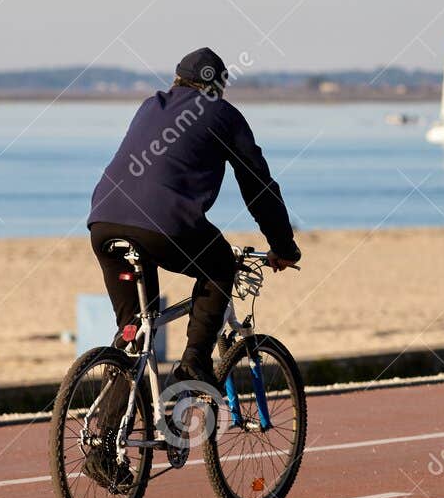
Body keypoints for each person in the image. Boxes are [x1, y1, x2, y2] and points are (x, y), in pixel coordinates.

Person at [88, 46, 301, 387]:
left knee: (135, 334)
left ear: (177, 79)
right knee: (220, 264)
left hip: (104, 222)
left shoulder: (150, 105)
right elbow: (257, 185)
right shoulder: (223, 114)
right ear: (218, 87)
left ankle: (110, 420)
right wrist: (283, 246)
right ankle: (195, 362)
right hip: (165, 224)